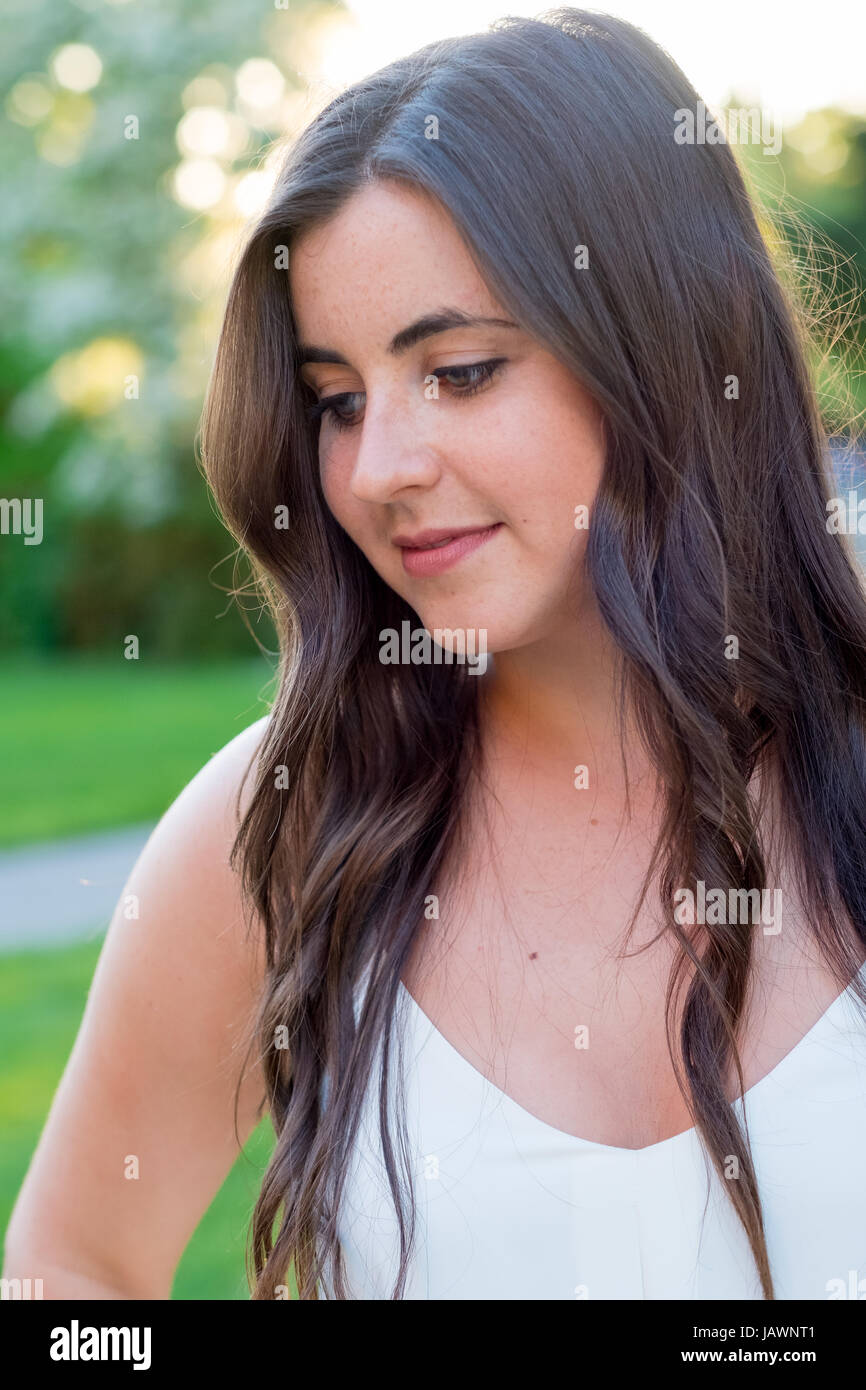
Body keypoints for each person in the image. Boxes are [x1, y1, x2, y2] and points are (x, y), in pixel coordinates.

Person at [5, 7, 866, 1301]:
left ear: (663, 345)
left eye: (456, 371)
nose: (377, 469)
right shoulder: (285, 823)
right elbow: (69, 1274)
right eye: (338, 400)